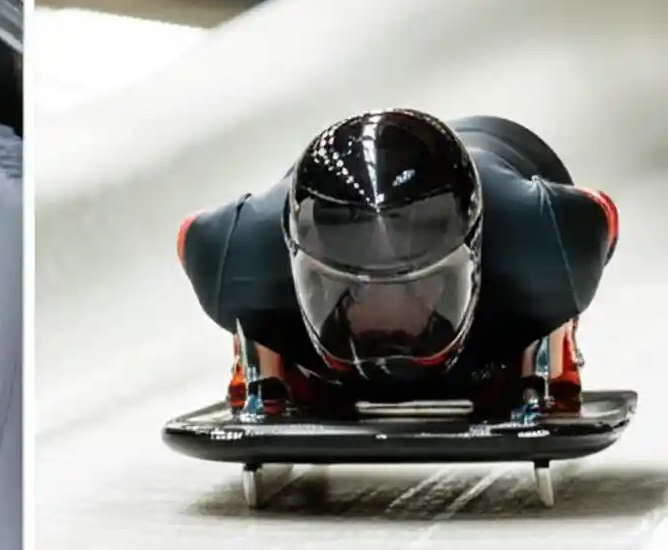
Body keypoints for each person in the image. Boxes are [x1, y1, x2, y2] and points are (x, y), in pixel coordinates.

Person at [177, 109, 619, 415]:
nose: (389, 327)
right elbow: (192, 233)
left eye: (411, 287)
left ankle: (544, 353)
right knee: (259, 312)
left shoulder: (545, 240)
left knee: (544, 295)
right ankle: (271, 364)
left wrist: (548, 324)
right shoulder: (240, 256)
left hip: (500, 153)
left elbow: (602, 215)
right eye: (359, 292)